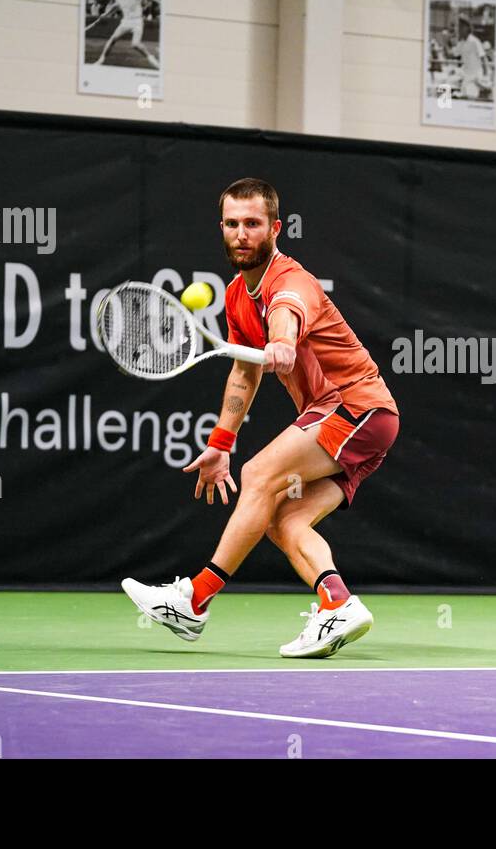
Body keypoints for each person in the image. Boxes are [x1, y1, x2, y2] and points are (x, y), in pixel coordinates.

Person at [122, 178, 400, 658]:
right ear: (222, 228)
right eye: (232, 224)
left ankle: (195, 599)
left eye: (252, 224)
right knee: (284, 518)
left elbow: (285, 320)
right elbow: (245, 374)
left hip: (357, 407)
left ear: (276, 228)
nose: (241, 234)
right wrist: (220, 442)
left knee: (259, 475)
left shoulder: (291, 282)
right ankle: (338, 603)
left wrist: (284, 343)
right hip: (352, 422)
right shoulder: (234, 296)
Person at [90, 0, 161, 69]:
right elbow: (115, 6)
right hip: (125, 22)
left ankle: (153, 60)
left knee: (135, 44)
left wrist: (161, 2)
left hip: (137, 21)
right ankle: (100, 61)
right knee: (112, 40)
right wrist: (105, 14)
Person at [449, 17, 489, 100]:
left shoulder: (475, 41)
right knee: (446, 86)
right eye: (457, 27)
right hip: (465, 76)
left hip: (475, 78)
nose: (458, 29)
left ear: (466, 28)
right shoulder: (461, 43)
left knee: (470, 98)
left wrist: (486, 76)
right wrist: (446, 41)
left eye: (460, 27)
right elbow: (452, 54)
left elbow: (483, 58)